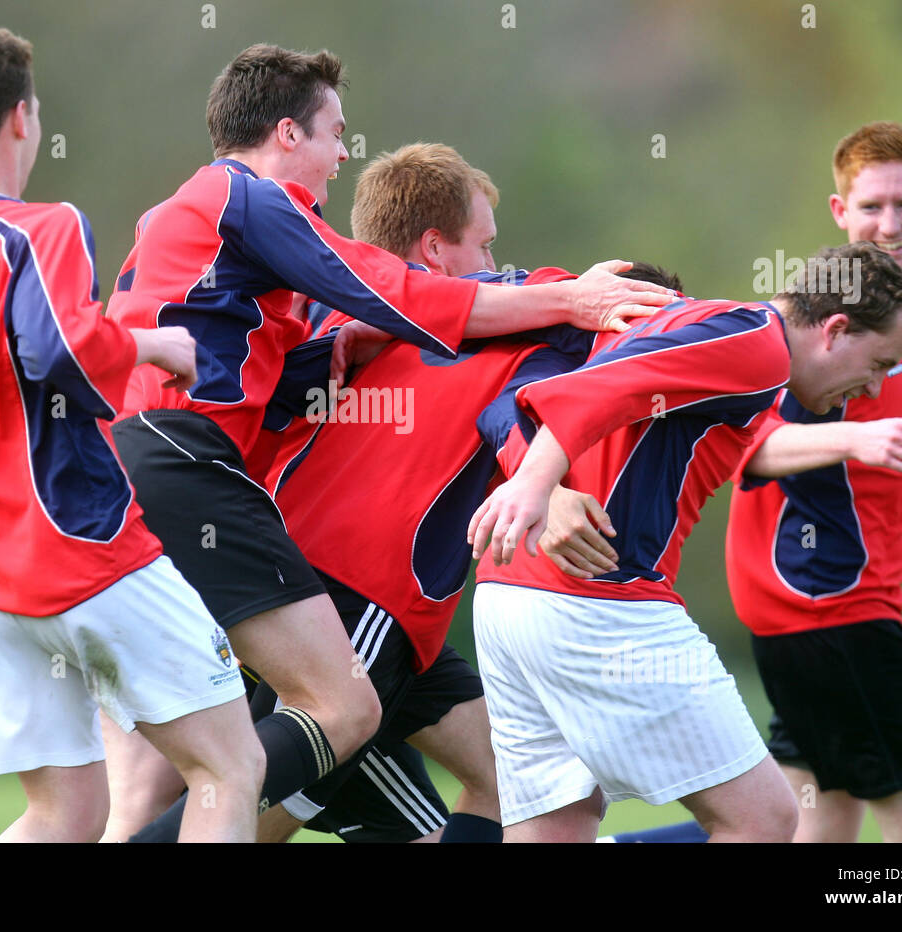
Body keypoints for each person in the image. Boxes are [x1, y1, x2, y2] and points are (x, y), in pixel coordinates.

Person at [109, 45, 675, 841]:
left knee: (524, 789)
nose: (345, 153)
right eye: (336, 132)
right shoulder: (249, 198)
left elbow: (251, 376)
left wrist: (327, 353)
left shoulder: (204, 224)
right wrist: (573, 298)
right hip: (213, 488)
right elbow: (390, 289)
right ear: (287, 132)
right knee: (304, 736)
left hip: (164, 474)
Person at [0, 25, 263, 842]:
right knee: (229, 765)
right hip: (78, 550)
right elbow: (63, 352)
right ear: (22, 118)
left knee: (65, 812)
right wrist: (154, 344)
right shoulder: (38, 228)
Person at [467, 241, 902, 842]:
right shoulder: (758, 342)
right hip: (599, 600)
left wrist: (540, 485)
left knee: (554, 831)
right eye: (878, 364)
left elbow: (508, 400)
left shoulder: (692, 324)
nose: (872, 390)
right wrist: (536, 484)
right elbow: (606, 387)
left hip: (508, 600)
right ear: (837, 329)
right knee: (764, 818)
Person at [725, 122, 902, 842]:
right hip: (837, 619)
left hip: (810, 631)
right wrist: (854, 435)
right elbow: (747, 445)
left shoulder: (893, 336)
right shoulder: (810, 329)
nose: (890, 224)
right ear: (838, 212)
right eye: (872, 206)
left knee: (816, 827)